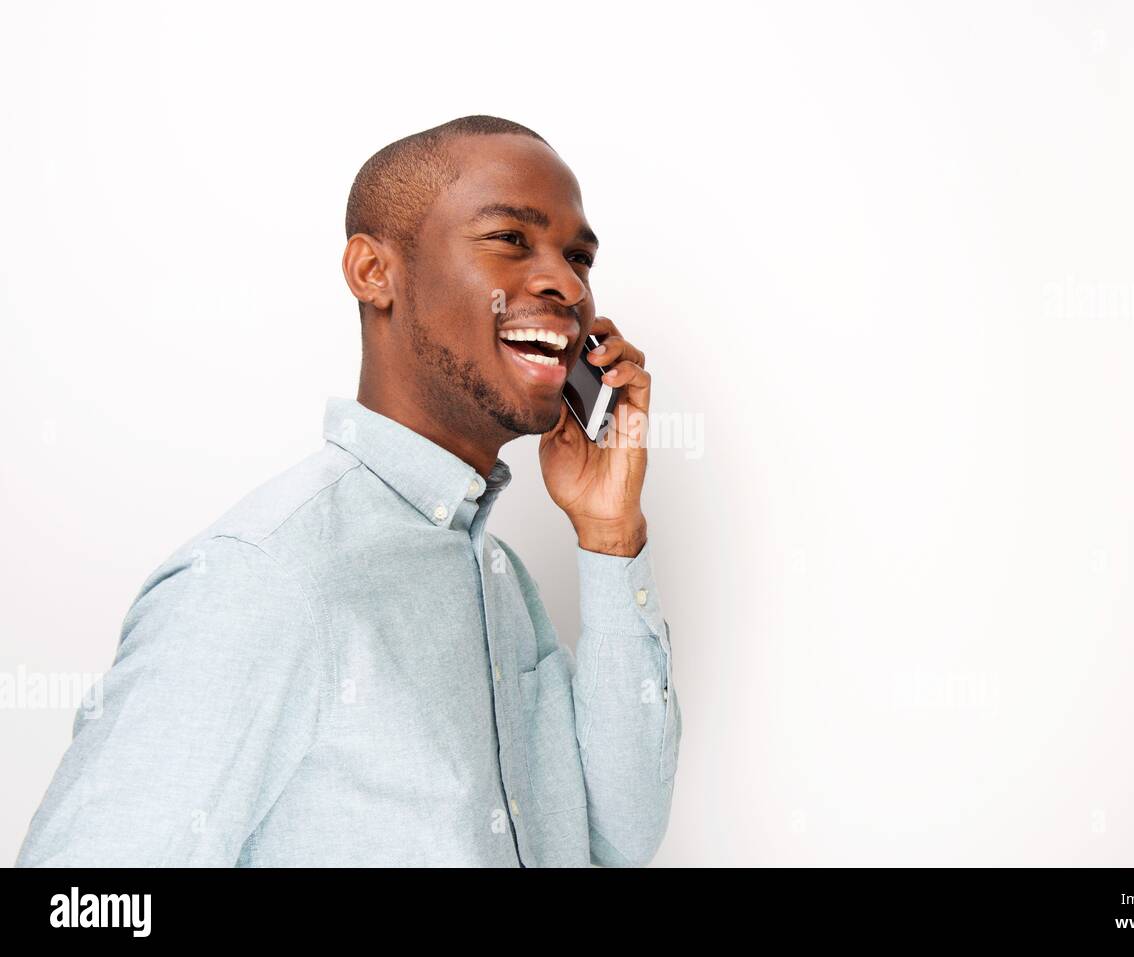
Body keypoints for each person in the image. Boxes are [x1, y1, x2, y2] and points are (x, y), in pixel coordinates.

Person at [16, 115, 681, 867]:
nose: (567, 283)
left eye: (579, 257)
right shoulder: (261, 580)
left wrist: (610, 532)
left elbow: (616, 836)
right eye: (510, 238)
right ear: (374, 272)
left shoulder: (503, 583)